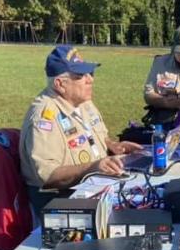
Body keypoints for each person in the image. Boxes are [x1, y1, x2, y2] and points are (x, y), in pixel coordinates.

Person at [19, 45, 143, 215]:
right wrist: (93, 167)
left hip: (96, 188)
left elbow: (97, 137)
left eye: (90, 73)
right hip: (60, 202)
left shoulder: (83, 103)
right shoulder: (44, 117)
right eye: (80, 76)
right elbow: (47, 176)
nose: (90, 79)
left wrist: (113, 146)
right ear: (60, 84)